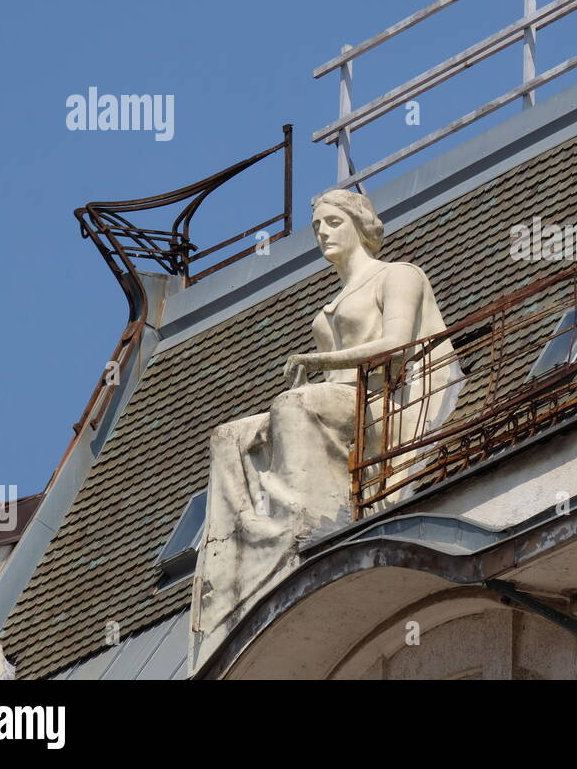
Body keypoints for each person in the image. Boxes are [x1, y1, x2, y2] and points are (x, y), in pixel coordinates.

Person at [193, 189, 459, 639]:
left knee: (295, 404)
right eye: (318, 227)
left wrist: (318, 364)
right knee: (228, 437)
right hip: (339, 405)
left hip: (387, 406)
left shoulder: (398, 275)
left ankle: (303, 525)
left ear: (359, 225)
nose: (323, 234)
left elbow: (396, 350)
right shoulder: (326, 311)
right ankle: (238, 554)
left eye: (333, 223)